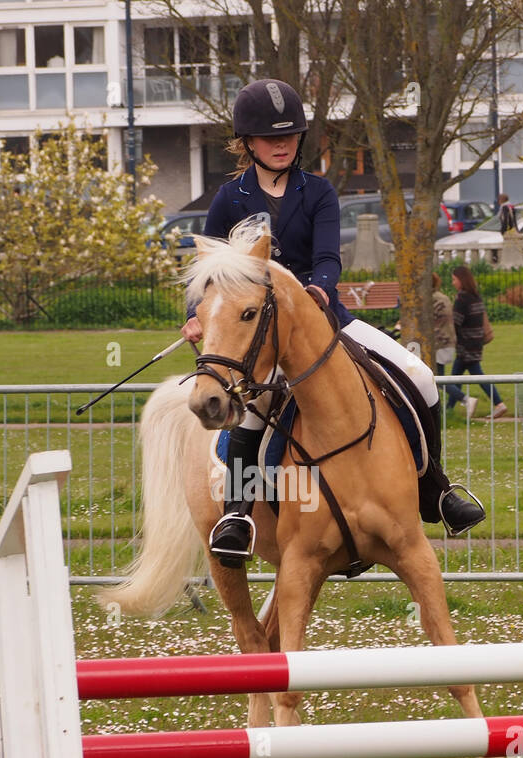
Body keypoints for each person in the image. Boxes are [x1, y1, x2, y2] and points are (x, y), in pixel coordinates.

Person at [182, 77, 485, 566]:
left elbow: (327, 257)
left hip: (325, 322)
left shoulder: (318, 191)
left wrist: (317, 290)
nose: (281, 145)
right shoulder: (228, 200)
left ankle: (436, 490)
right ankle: (236, 514)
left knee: (421, 376)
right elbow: (207, 276)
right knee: (253, 414)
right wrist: (196, 315)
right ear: (248, 143)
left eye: (289, 135)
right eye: (269, 137)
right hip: (262, 335)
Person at [448, 266, 506, 420]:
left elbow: (456, 322)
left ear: (461, 280)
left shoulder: (462, 299)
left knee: (455, 379)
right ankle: (449, 410)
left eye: (454, 279)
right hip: (476, 343)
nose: (453, 283)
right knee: (457, 377)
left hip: (465, 346)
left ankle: (498, 404)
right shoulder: (476, 296)